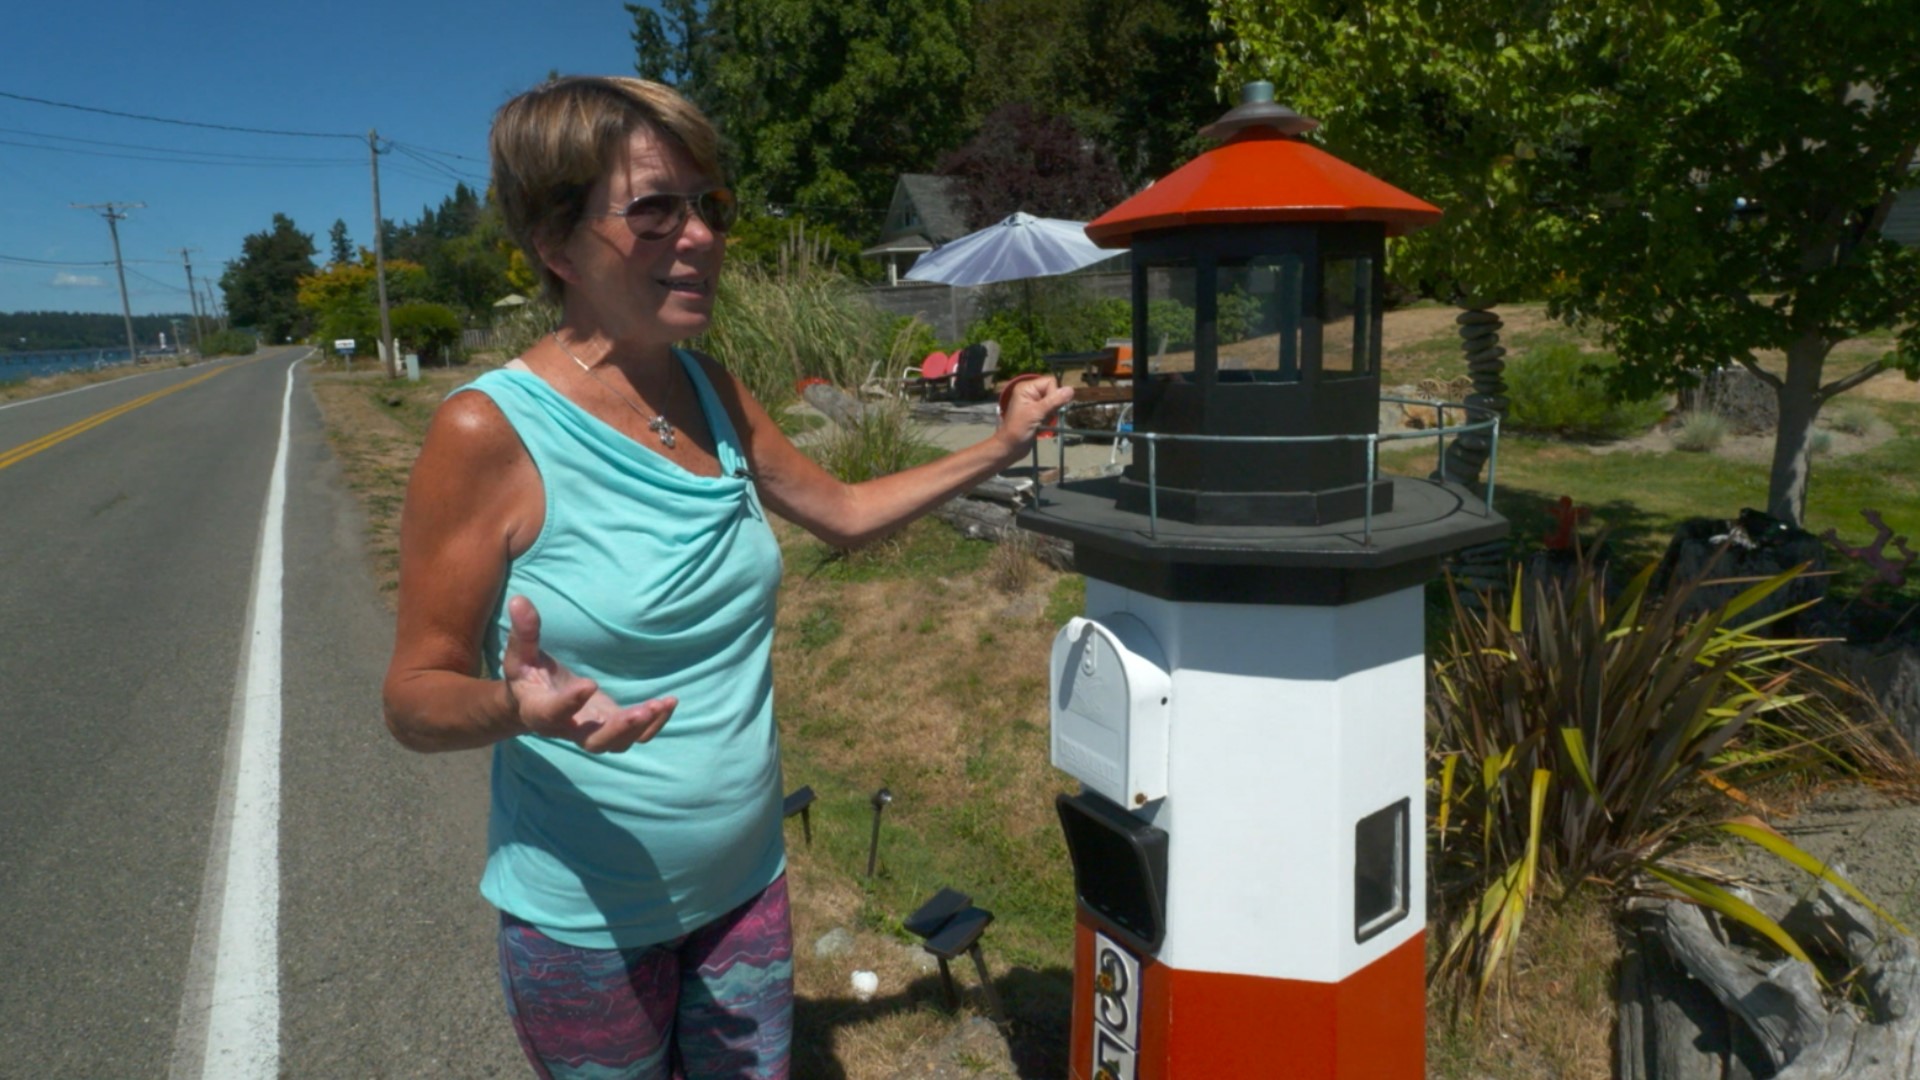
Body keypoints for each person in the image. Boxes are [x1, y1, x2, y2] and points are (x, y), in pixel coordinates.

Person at [380, 75, 1073, 1080]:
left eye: (711, 206)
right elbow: (412, 698)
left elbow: (842, 514)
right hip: (588, 928)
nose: (700, 235)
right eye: (656, 209)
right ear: (555, 242)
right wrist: (513, 708)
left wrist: (1000, 448)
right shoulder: (489, 431)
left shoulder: (710, 389)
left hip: (745, 890)